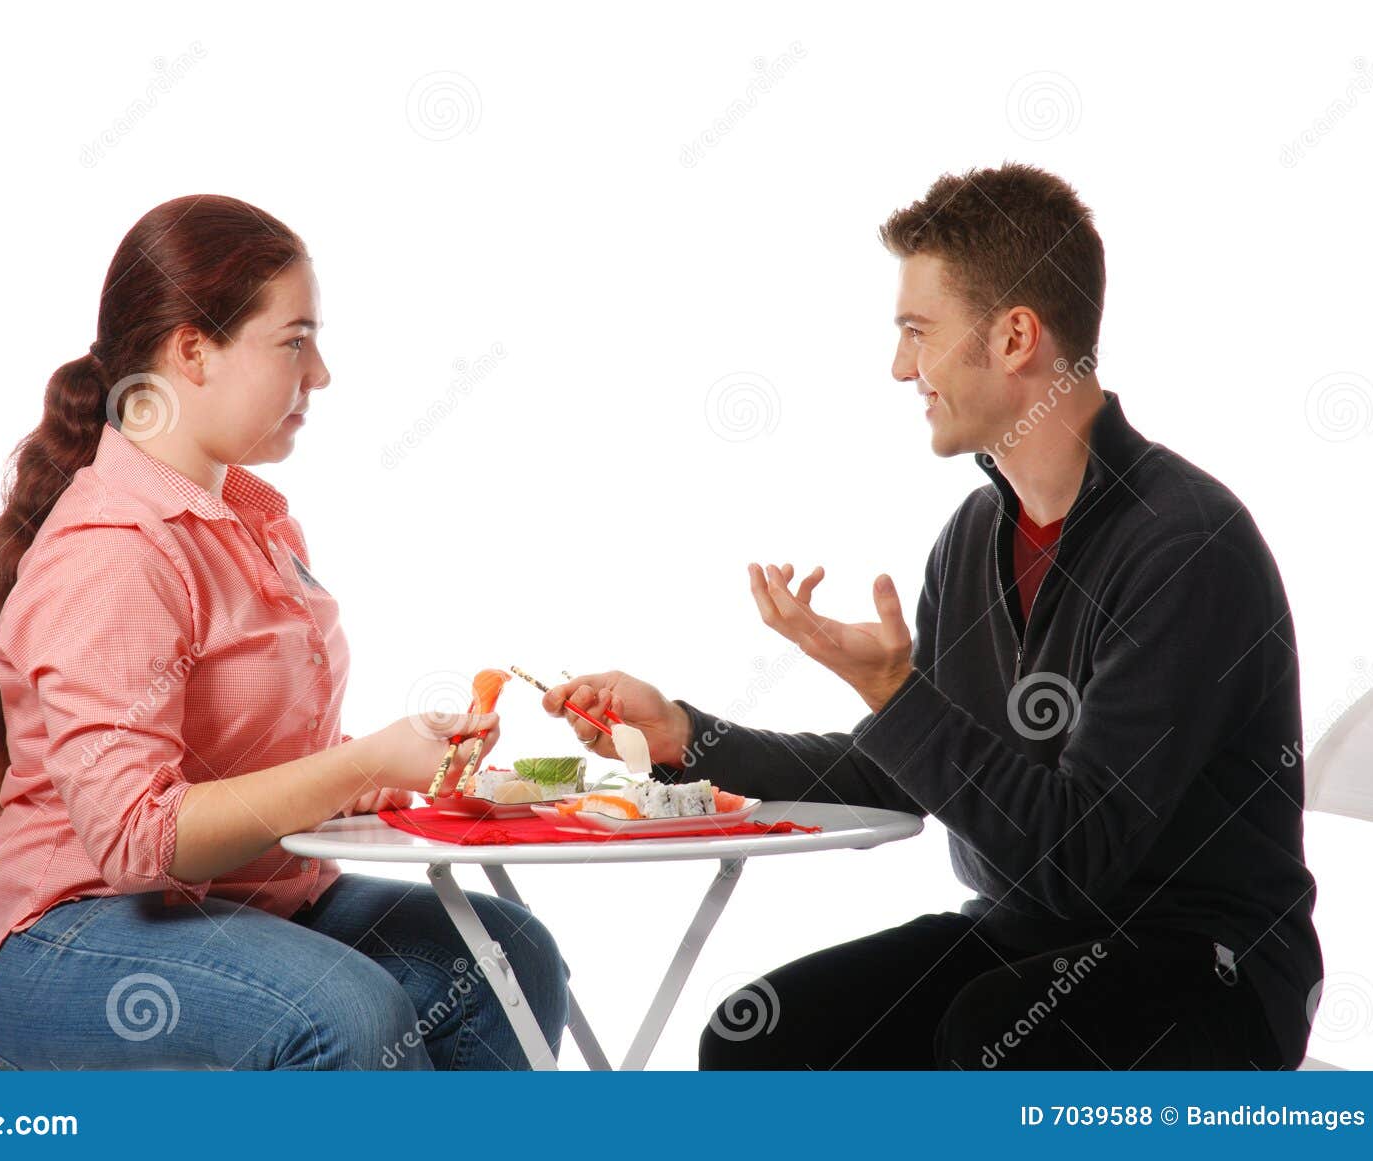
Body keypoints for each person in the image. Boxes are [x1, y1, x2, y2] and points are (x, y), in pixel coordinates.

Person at [543, 164, 1321, 1070]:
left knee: (990, 1034)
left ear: (1016, 336)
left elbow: (1076, 854)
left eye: (918, 331)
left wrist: (896, 692)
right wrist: (686, 734)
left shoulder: (1186, 546)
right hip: (1025, 938)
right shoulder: (976, 535)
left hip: (1208, 970)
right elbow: (913, 770)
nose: (901, 366)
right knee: (758, 1035)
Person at [0, 194, 568, 1070]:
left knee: (504, 955)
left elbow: (245, 766)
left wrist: (380, 769)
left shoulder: (251, 520)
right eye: (294, 341)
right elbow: (138, 843)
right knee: (346, 1014)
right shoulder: (116, 547)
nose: (320, 375)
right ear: (192, 351)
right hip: (70, 934)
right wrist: (361, 763)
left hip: (246, 902)